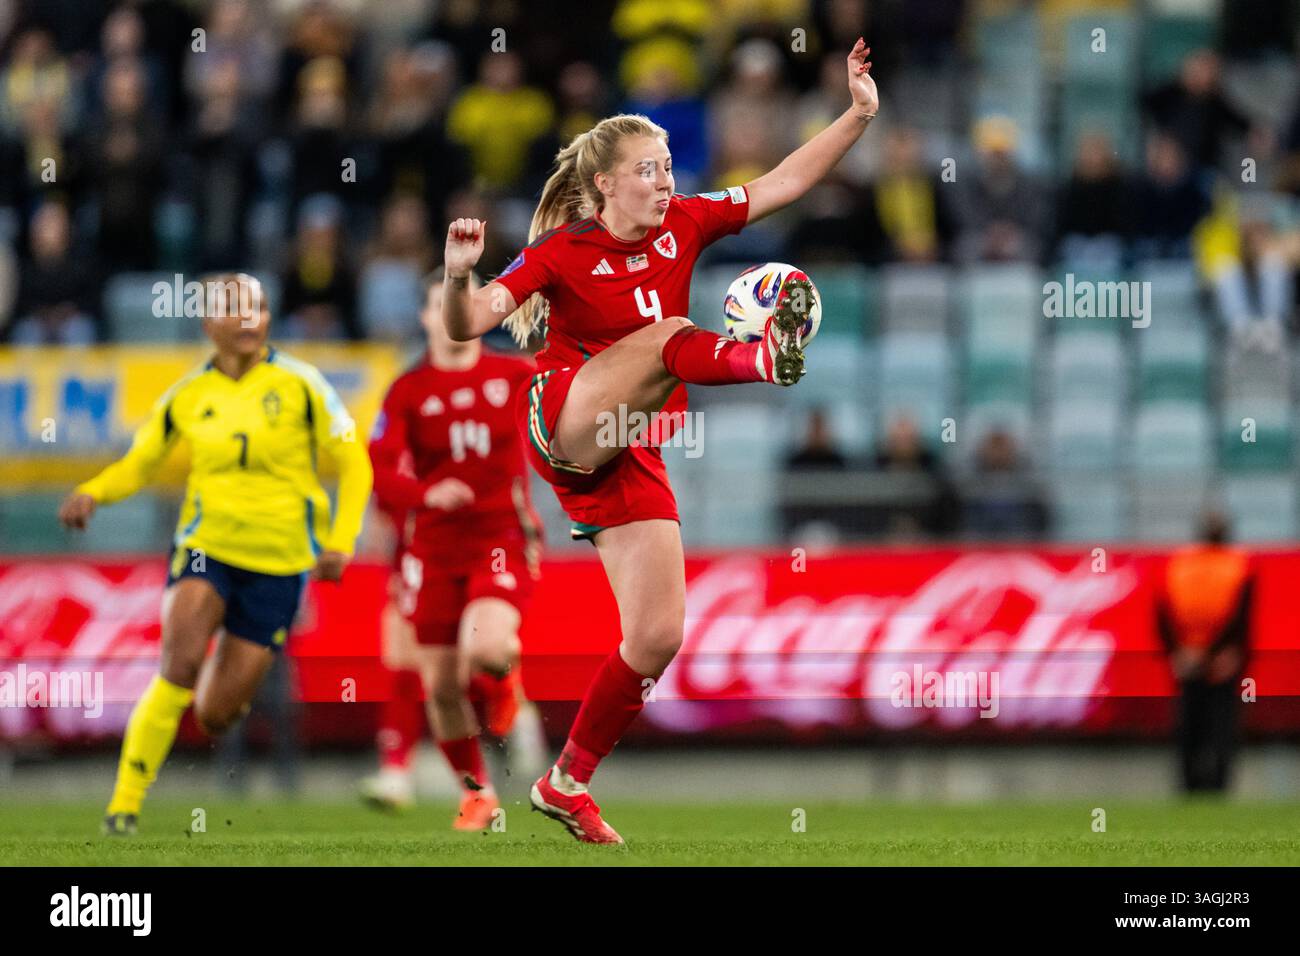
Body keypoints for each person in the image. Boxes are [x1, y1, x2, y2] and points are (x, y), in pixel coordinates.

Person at [440, 39, 879, 843]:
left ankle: (566, 781)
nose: (665, 179)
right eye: (647, 168)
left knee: (656, 635)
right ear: (603, 184)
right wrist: (459, 271)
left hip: (628, 442)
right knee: (670, 329)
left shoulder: (685, 223)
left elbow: (783, 182)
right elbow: (468, 324)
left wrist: (855, 114)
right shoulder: (562, 251)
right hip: (563, 417)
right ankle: (760, 361)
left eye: (669, 163)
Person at [57, 273, 373, 835]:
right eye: (234, 309)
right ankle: (124, 806)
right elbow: (140, 463)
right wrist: (93, 492)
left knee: (214, 713)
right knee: (177, 665)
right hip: (207, 549)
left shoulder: (304, 385)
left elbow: (355, 463)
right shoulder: (187, 396)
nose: (249, 319)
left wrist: (341, 540)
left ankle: (224, 670)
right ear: (207, 324)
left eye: (257, 308)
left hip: (278, 564)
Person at [365, 269, 545, 830]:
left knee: (488, 649)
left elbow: (571, 406)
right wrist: (425, 492)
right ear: (424, 317)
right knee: (440, 685)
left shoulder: (516, 374)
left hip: (501, 538)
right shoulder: (407, 390)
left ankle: (506, 686)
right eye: (442, 304)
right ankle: (477, 794)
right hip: (432, 550)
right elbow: (380, 468)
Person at [1156, 510, 1254, 794]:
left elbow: (1163, 613)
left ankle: (1191, 786)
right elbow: (1241, 617)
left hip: (1190, 657)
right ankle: (1216, 786)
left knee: (1191, 725)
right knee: (1220, 726)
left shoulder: (1180, 564)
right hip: (1220, 658)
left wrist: (1180, 653)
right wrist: (1226, 653)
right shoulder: (1237, 565)